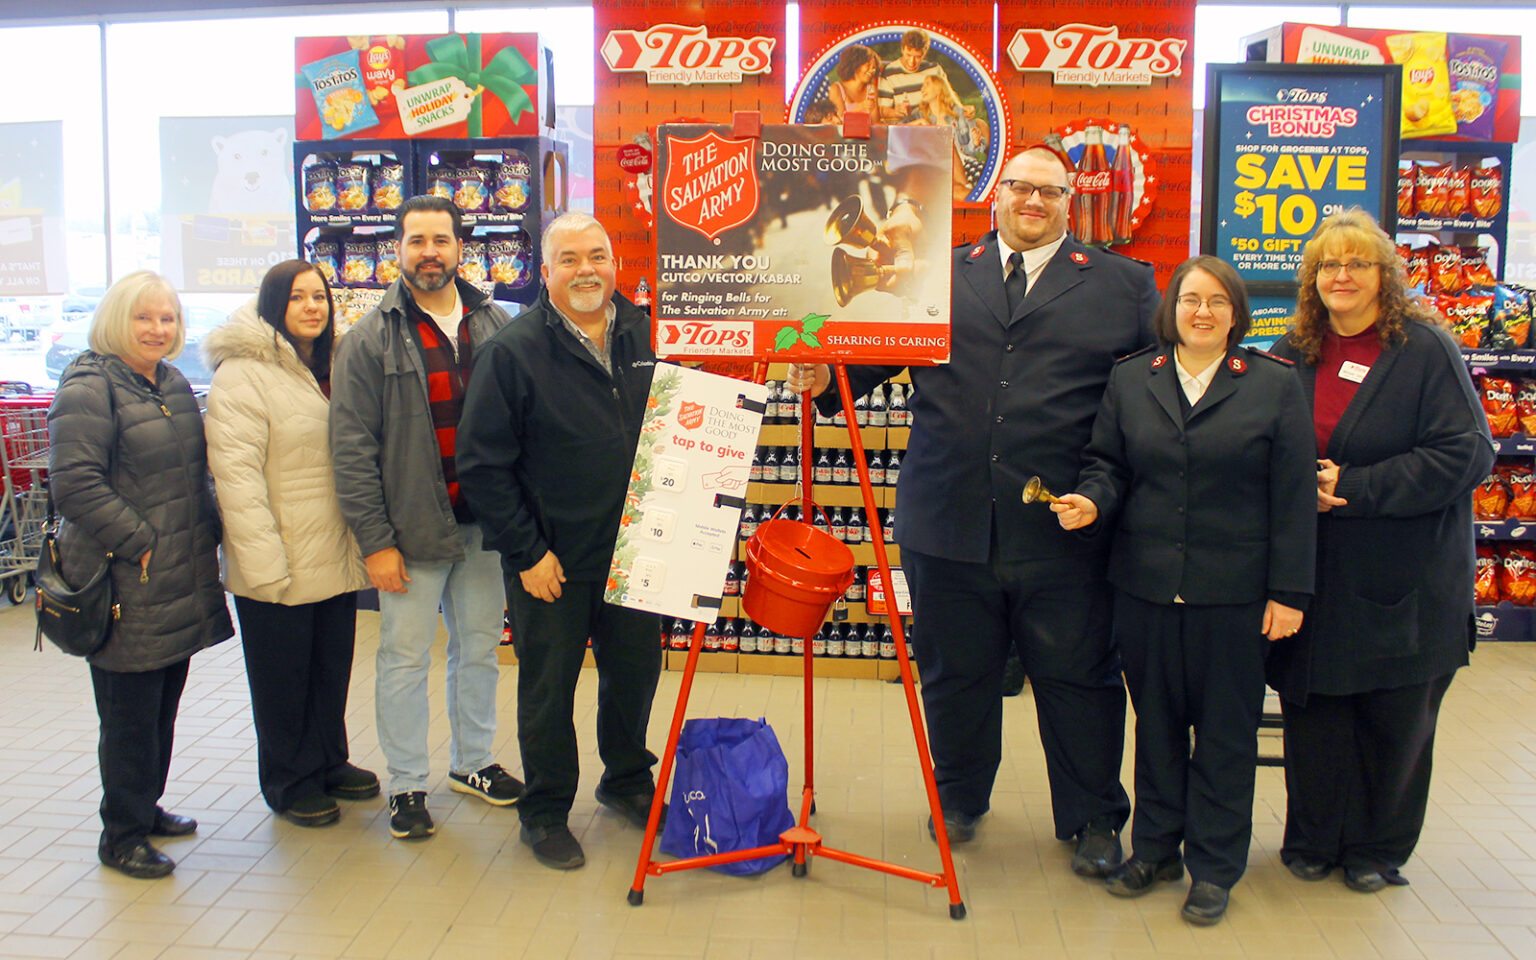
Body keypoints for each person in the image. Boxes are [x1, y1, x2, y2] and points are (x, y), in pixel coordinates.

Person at [789, 146, 1158, 876]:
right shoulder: (933, 273)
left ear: (1069, 202)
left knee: (1077, 676)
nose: (1033, 201)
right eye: (1020, 186)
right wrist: (818, 368)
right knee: (955, 672)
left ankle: (1092, 818)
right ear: (996, 195)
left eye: (1049, 192)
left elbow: (1141, 404)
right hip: (947, 514)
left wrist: (1107, 492)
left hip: (1064, 526)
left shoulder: (1124, 286)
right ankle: (957, 796)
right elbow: (865, 356)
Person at [1053, 255, 1316, 924]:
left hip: (1234, 597)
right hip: (1144, 590)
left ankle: (1215, 866)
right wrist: (1090, 500)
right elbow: (1107, 466)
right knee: (1159, 728)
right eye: (1190, 299)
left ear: (1237, 314)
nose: (1202, 312)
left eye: (1217, 302)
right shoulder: (1132, 380)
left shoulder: (1272, 385)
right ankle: (1156, 851)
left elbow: (1292, 500)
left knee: (1225, 735)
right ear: (1169, 310)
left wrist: (1290, 594)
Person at [1266, 208, 1494, 893]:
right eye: (1328, 265)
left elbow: (1469, 452)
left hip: (1407, 578)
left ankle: (1376, 850)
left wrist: (1356, 486)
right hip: (1319, 574)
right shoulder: (1292, 350)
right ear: (1312, 280)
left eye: (1357, 263)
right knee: (1316, 715)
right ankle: (1311, 839)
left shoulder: (1424, 350)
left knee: (1394, 721)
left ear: (1384, 276)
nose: (1341, 276)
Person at [457, 212, 662, 871]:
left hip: (633, 552)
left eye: (596, 255)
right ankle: (545, 811)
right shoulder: (513, 351)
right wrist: (526, 553)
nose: (586, 270)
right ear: (545, 272)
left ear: (616, 264)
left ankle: (626, 778)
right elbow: (483, 466)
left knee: (635, 675)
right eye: (568, 258)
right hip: (552, 560)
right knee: (549, 689)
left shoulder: (646, 333)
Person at [330, 195, 523, 841]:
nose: (429, 252)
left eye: (440, 239)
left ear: (460, 247)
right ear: (399, 250)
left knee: (478, 652)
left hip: (486, 527)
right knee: (404, 659)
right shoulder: (367, 338)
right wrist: (375, 542)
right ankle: (408, 784)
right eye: (416, 241)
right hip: (411, 532)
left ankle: (474, 763)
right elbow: (351, 448)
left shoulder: (498, 324)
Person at [48, 270, 234, 878]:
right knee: (127, 716)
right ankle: (120, 834)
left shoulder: (173, 383)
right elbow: (74, 483)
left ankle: (144, 807)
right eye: (144, 317)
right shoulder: (88, 386)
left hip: (175, 575)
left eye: (168, 318)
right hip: (125, 578)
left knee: (161, 707)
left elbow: (189, 472)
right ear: (116, 320)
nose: (158, 329)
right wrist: (141, 543)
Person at [203, 260, 375, 829]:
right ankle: (289, 780)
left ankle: (328, 761)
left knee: (329, 669)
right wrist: (262, 564)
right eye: (298, 297)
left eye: (319, 297)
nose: (311, 307)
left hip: (330, 550)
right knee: (282, 679)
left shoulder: (329, 365)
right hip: (276, 556)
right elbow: (237, 479)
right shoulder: (243, 374)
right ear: (273, 303)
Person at [878, 29, 945, 123]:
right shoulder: (889, 73)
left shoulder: (935, 70)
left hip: (934, 122)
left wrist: (964, 110)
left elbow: (949, 99)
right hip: (907, 126)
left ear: (924, 53)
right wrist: (895, 112)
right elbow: (882, 110)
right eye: (908, 55)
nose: (911, 62)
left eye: (918, 57)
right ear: (902, 49)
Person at [828, 44, 880, 120]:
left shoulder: (871, 90)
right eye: (868, 66)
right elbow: (839, 123)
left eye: (874, 67)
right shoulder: (836, 89)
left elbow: (875, 122)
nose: (872, 71)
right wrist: (860, 108)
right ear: (855, 65)